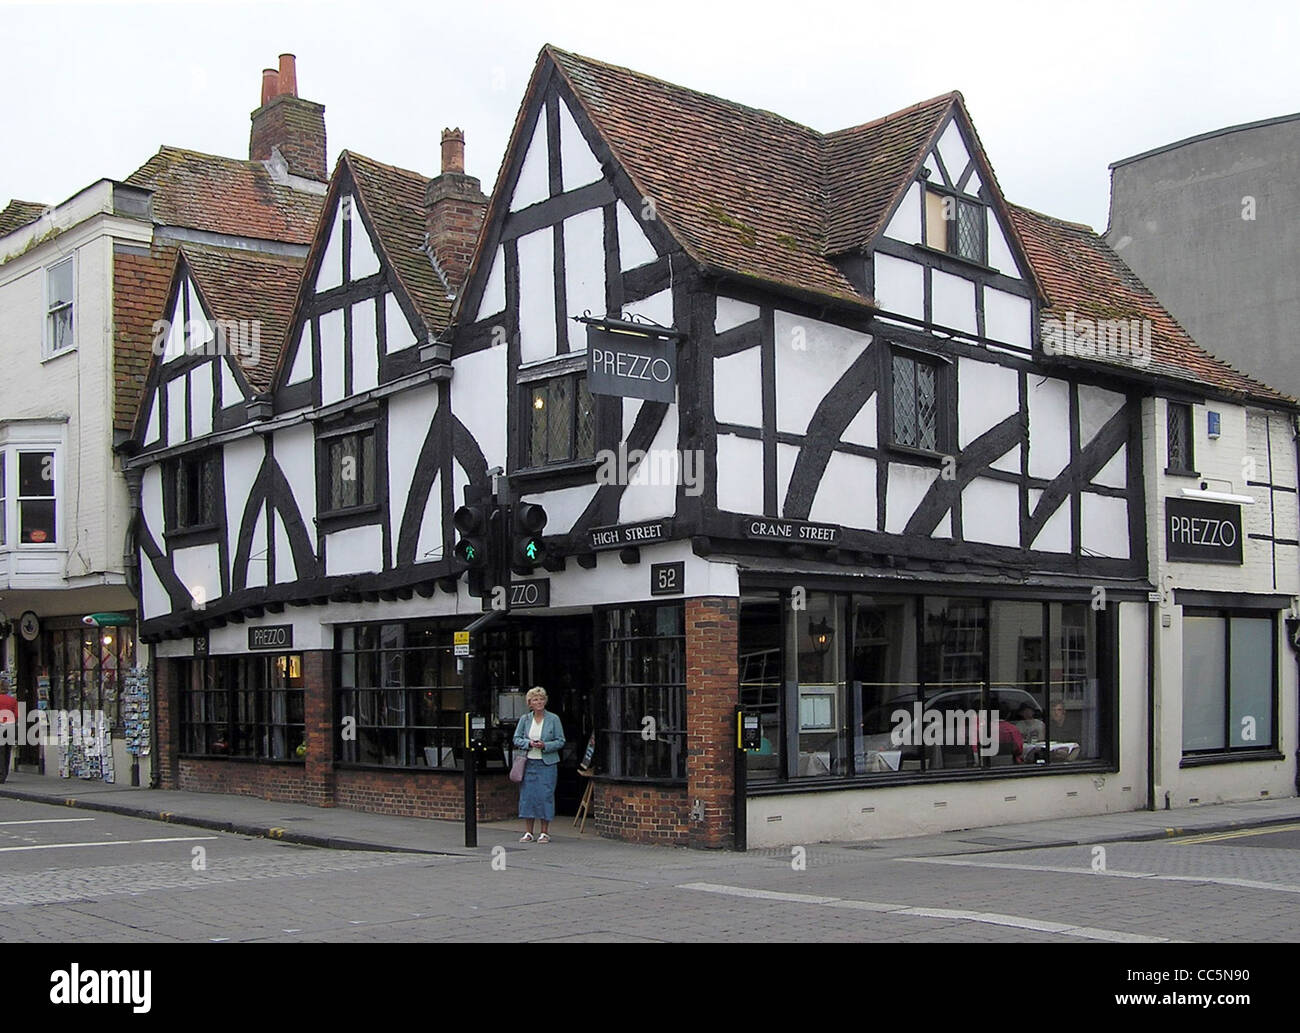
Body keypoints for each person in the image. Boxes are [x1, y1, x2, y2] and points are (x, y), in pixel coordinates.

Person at [512, 687, 565, 843]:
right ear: (530, 703)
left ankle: (544, 832)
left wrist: (545, 745)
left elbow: (560, 740)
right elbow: (516, 738)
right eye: (535, 699)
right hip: (528, 763)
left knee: (545, 796)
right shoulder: (525, 719)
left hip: (547, 764)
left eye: (541, 699)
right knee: (527, 797)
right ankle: (528, 832)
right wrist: (528, 743)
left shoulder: (553, 719)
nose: (539, 702)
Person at [0, 675, 18, 784]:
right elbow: (16, 715)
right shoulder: (12, 700)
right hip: (10, 727)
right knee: (7, 751)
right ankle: (5, 773)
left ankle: (0, 774)